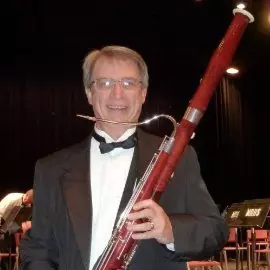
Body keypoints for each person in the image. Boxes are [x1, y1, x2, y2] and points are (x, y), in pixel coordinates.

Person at [19, 45, 228, 270]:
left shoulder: (178, 157)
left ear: (143, 93)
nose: (117, 94)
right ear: (90, 93)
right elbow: (37, 251)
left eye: (128, 83)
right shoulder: (50, 169)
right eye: (106, 83)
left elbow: (215, 232)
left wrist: (170, 230)